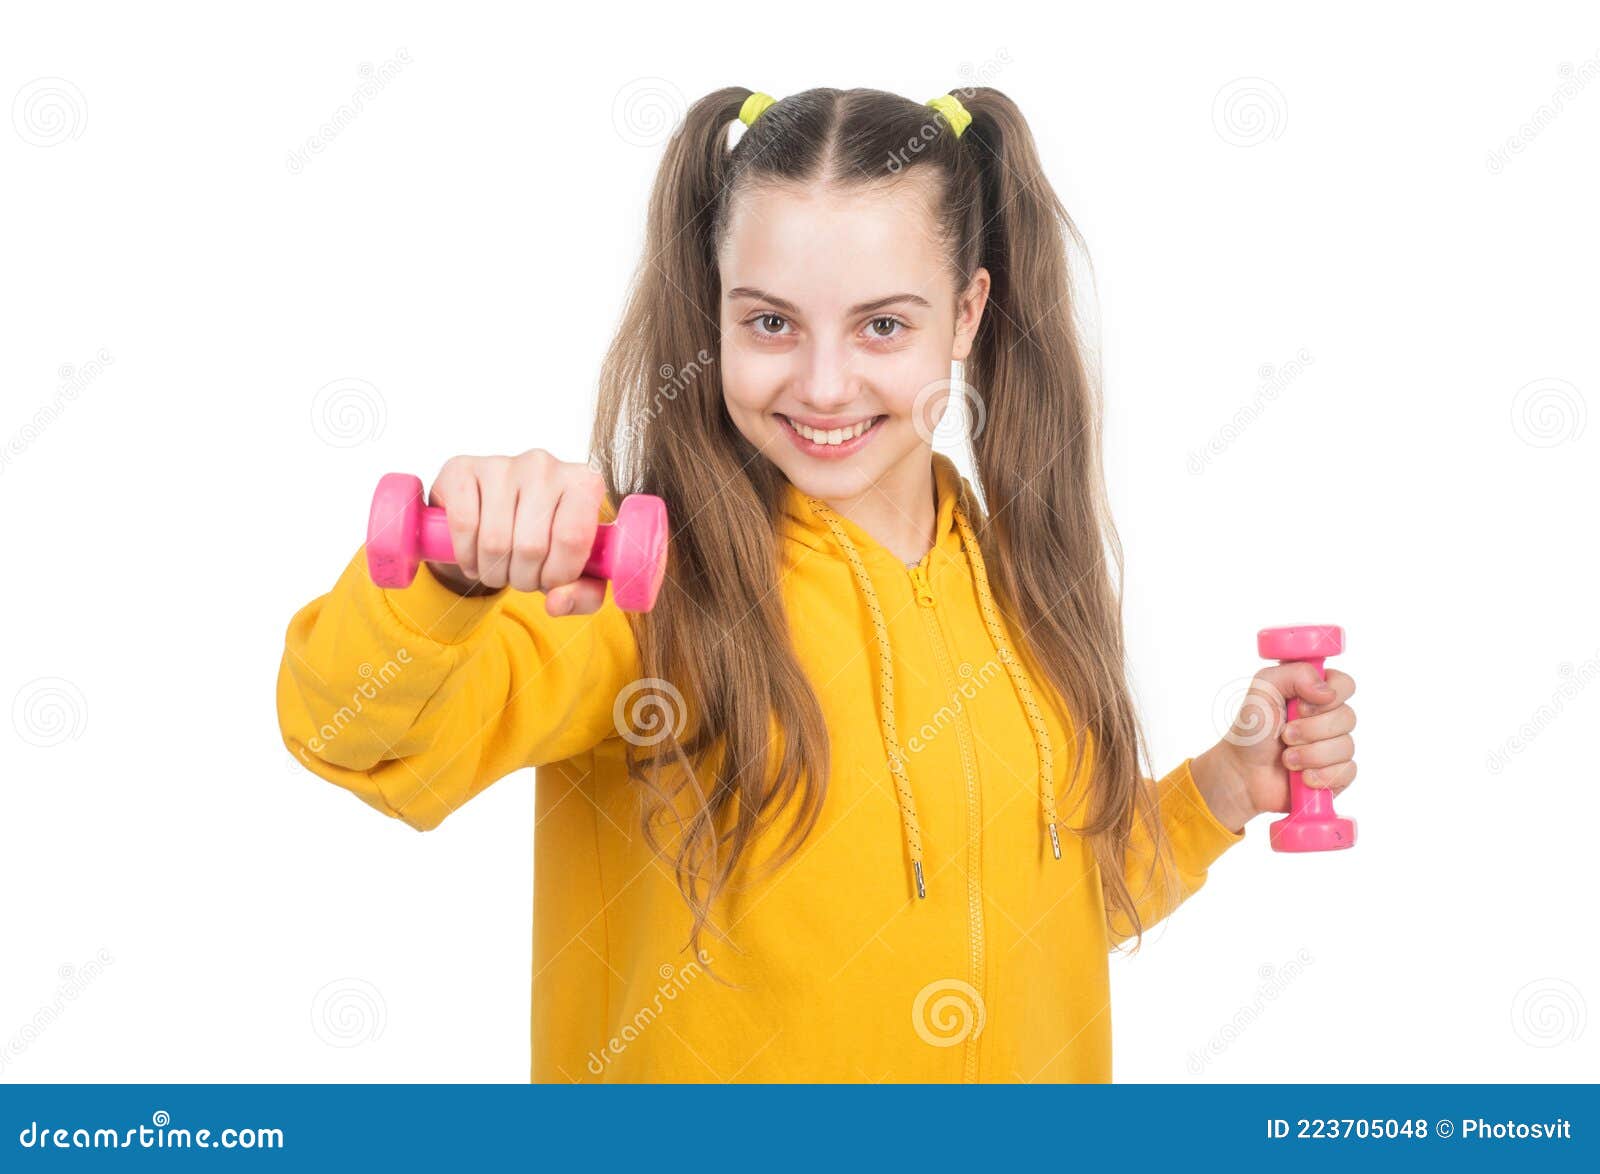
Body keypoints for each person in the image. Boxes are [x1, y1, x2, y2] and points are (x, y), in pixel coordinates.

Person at [276, 86, 1359, 1083]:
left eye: (883, 324)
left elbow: (1045, 910)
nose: (826, 384)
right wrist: (451, 579)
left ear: (966, 314)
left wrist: (1224, 786)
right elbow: (356, 738)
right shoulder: (634, 588)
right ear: (715, 310)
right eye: (770, 322)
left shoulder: (1017, 584)